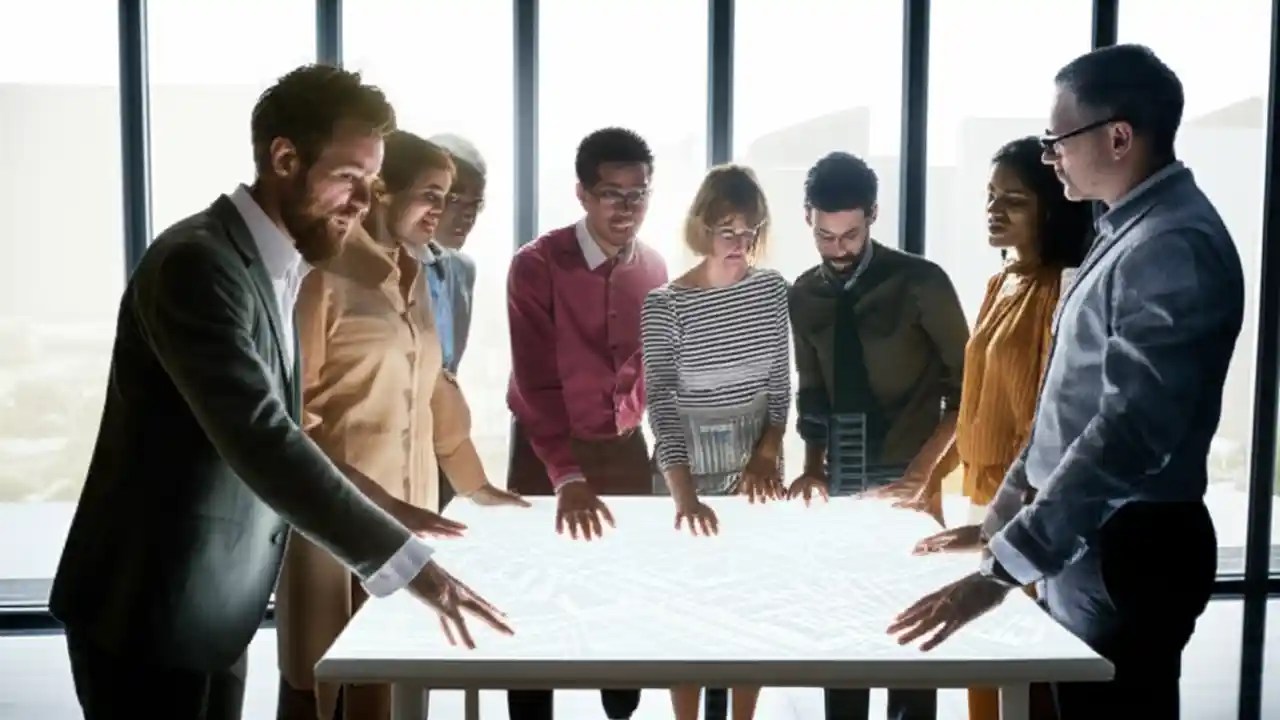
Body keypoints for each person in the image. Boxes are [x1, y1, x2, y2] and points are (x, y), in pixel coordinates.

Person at [46, 65, 511, 720]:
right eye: (348, 177)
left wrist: (392, 506)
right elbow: (263, 438)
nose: (363, 201)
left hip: (214, 604)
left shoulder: (281, 266)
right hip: (148, 608)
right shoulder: (198, 264)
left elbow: (291, 430)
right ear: (285, 158)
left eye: (372, 181)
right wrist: (409, 566)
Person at [888, 44, 1244, 720]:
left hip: (1129, 545)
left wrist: (1002, 570)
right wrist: (998, 527)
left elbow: (1128, 434)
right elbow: (1062, 408)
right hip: (1097, 541)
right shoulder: (1127, 231)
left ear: (1118, 137)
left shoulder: (1170, 245)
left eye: (1058, 139)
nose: (1051, 157)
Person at [276, 131, 529, 720]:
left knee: (388, 676)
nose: (442, 211)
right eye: (431, 195)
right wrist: (367, 501)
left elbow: (436, 389)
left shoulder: (413, 274)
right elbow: (292, 418)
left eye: (450, 198)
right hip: (334, 509)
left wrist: (476, 485)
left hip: (407, 509)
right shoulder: (321, 275)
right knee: (317, 682)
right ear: (383, 191)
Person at [902, 136, 1092, 720]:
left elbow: (1052, 423)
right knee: (980, 663)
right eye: (991, 196)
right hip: (984, 498)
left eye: (1014, 200)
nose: (994, 209)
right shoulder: (999, 281)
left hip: (1028, 506)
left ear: (1050, 209)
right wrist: (934, 477)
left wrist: (1005, 521)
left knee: (1021, 673)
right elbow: (973, 401)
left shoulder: (1062, 288)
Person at [786, 151, 968, 720]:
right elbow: (812, 391)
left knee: (911, 644)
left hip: (910, 480)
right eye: (825, 236)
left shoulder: (921, 282)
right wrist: (811, 468)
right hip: (840, 483)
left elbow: (970, 391)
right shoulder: (804, 294)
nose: (838, 249)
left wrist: (922, 476)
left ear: (873, 216)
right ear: (808, 218)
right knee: (843, 644)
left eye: (850, 235)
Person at [505, 126, 668, 719]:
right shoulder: (536, 265)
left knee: (622, 596)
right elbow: (536, 383)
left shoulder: (655, 268)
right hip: (544, 448)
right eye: (610, 194)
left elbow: (652, 368)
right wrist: (566, 475)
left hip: (623, 447)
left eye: (638, 194)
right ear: (581, 193)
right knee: (536, 599)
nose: (626, 209)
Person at [642, 164, 790, 720]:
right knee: (685, 610)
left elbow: (781, 385)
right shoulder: (665, 304)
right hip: (685, 472)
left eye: (750, 231)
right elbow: (660, 404)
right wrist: (683, 495)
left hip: (756, 469)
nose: (740, 243)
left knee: (751, 608)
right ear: (702, 227)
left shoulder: (771, 289)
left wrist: (767, 455)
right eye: (728, 230)